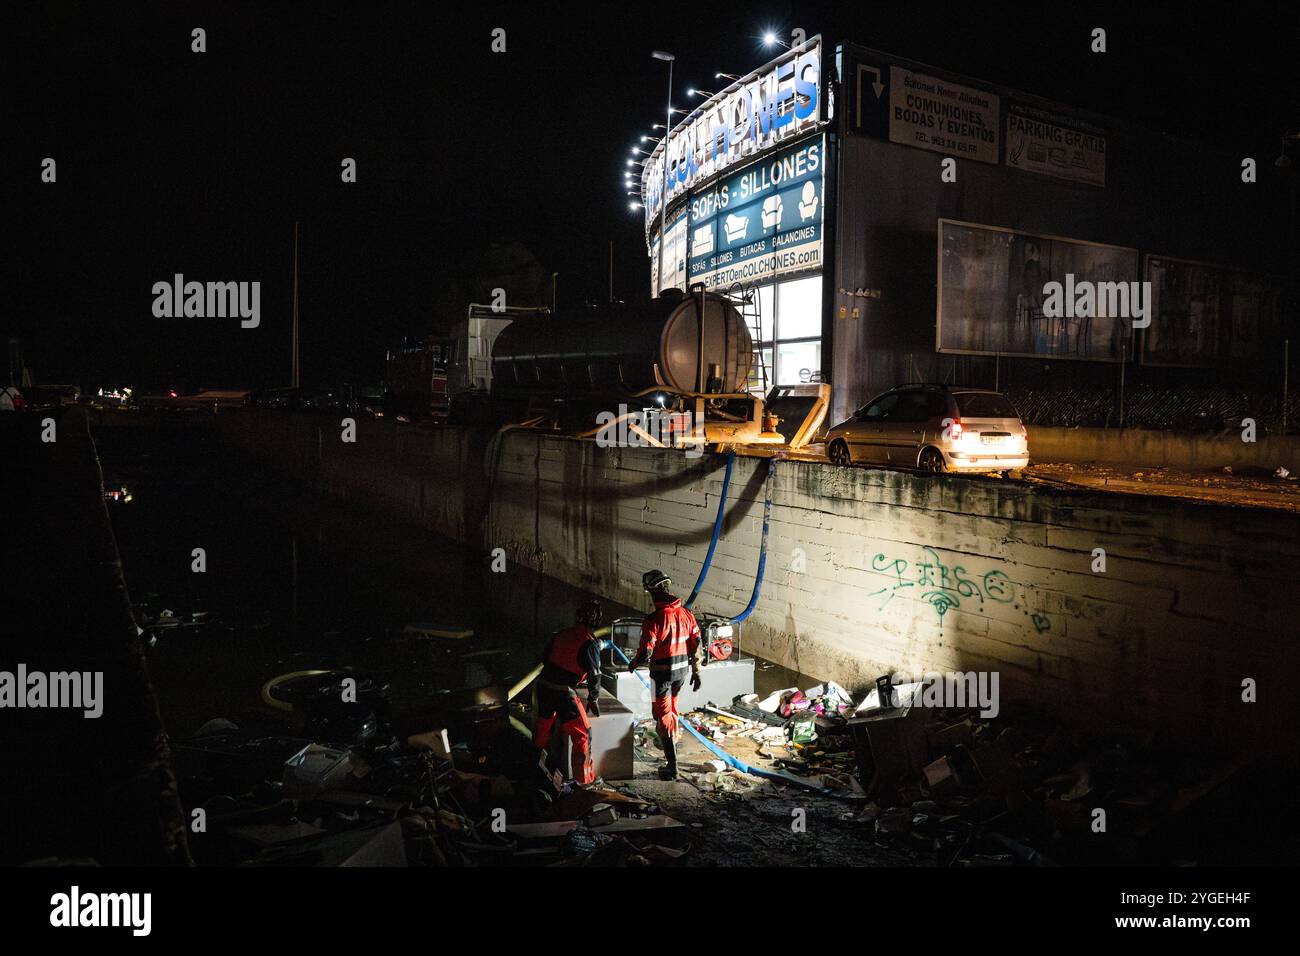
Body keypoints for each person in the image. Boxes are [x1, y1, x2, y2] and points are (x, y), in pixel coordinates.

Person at [627, 570, 701, 780]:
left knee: (663, 714)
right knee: (672, 709)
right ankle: (670, 741)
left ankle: (672, 766)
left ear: (651, 590)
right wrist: (697, 671)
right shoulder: (687, 614)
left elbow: (646, 652)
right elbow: (696, 645)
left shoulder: (654, 619)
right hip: (681, 674)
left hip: (661, 677)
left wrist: (633, 664)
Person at [533, 600, 604, 785]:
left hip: (543, 686)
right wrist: (593, 698)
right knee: (583, 734)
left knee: (543, 728)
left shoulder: (560, 634)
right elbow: (595, 675)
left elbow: (545, 658)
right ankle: (584, 782)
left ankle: (534, 767)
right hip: (564, 692)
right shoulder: (590, 643)